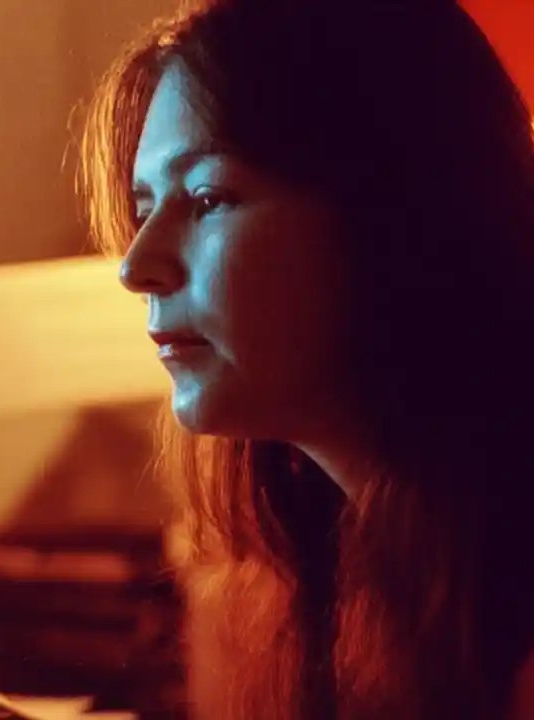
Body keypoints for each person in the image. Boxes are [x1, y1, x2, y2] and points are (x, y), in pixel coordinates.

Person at [79, 0, 534, 717]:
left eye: (208, 197)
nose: (137, 267)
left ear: (395, 212)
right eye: (144, 209)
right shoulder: (334, 571)